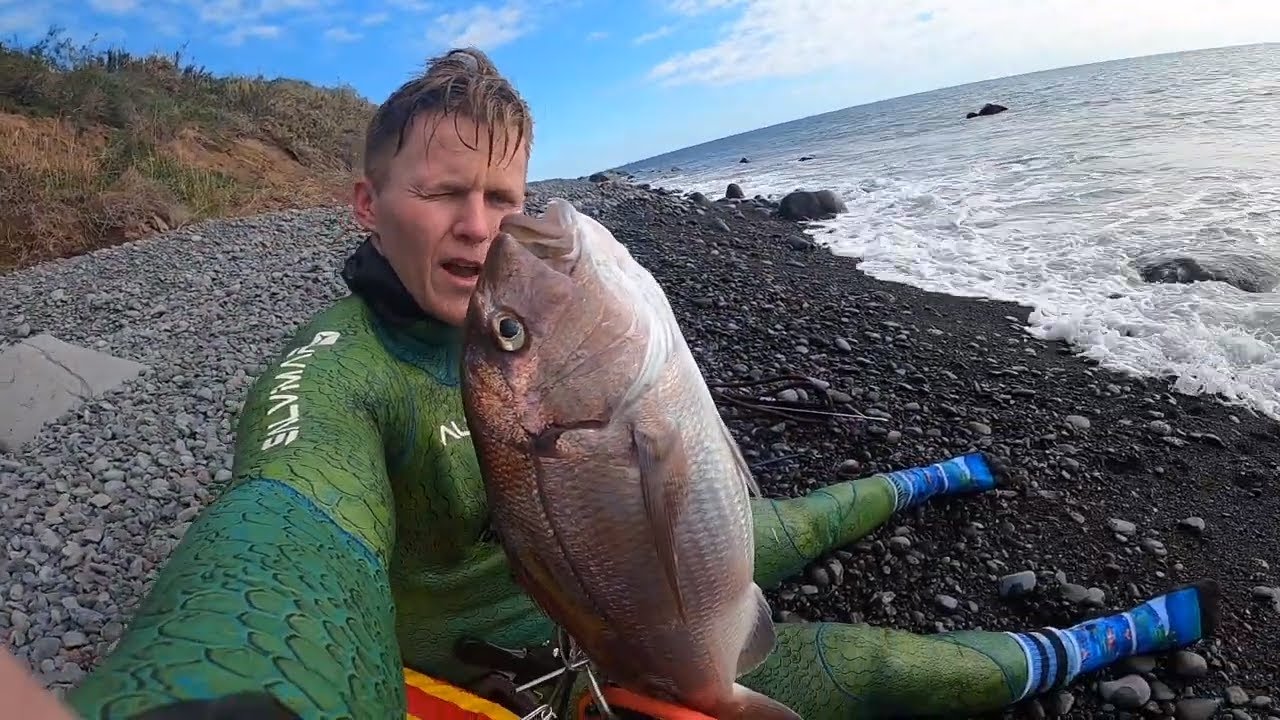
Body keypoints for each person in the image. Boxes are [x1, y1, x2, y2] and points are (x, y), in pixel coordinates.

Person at [56, 48, 1220, 720]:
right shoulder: (332, 378)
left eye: (503, 198)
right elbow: (274, 543)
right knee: (876, 667)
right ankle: (1085, 644)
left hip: (644, 557)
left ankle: (927, 475)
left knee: (792, 520)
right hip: (563, 671)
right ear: (367, 205)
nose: (479, 228)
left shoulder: (560, 310)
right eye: (440, 193)